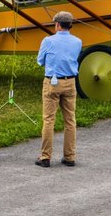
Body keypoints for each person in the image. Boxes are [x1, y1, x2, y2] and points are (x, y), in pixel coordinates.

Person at [35, 11, 82, 167]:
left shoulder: (48, 41)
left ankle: (45, 156)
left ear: (57, 24)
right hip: (70, 82)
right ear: (70, 26)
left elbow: (40, 61)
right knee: (70, 120)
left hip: (52, 82)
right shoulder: (77, 41)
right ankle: (70, 156)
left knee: (49, 120)